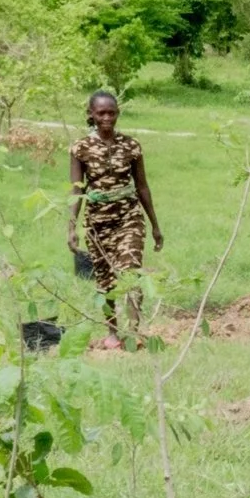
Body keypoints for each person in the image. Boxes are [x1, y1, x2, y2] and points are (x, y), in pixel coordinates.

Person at [65, 91, 163, 348]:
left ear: (118, 113)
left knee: (130, 271)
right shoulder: (80, 148)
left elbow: (142, 186)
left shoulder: (131, 146)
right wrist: (71, 227)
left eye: (112, 112)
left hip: (129, 217)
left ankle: (134, 331)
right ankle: (112, 332)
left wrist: (154, 225)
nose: (107, 118)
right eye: (101, 113)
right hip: (97, 222)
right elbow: (76, 188)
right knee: (105, 278)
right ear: (91, 114)